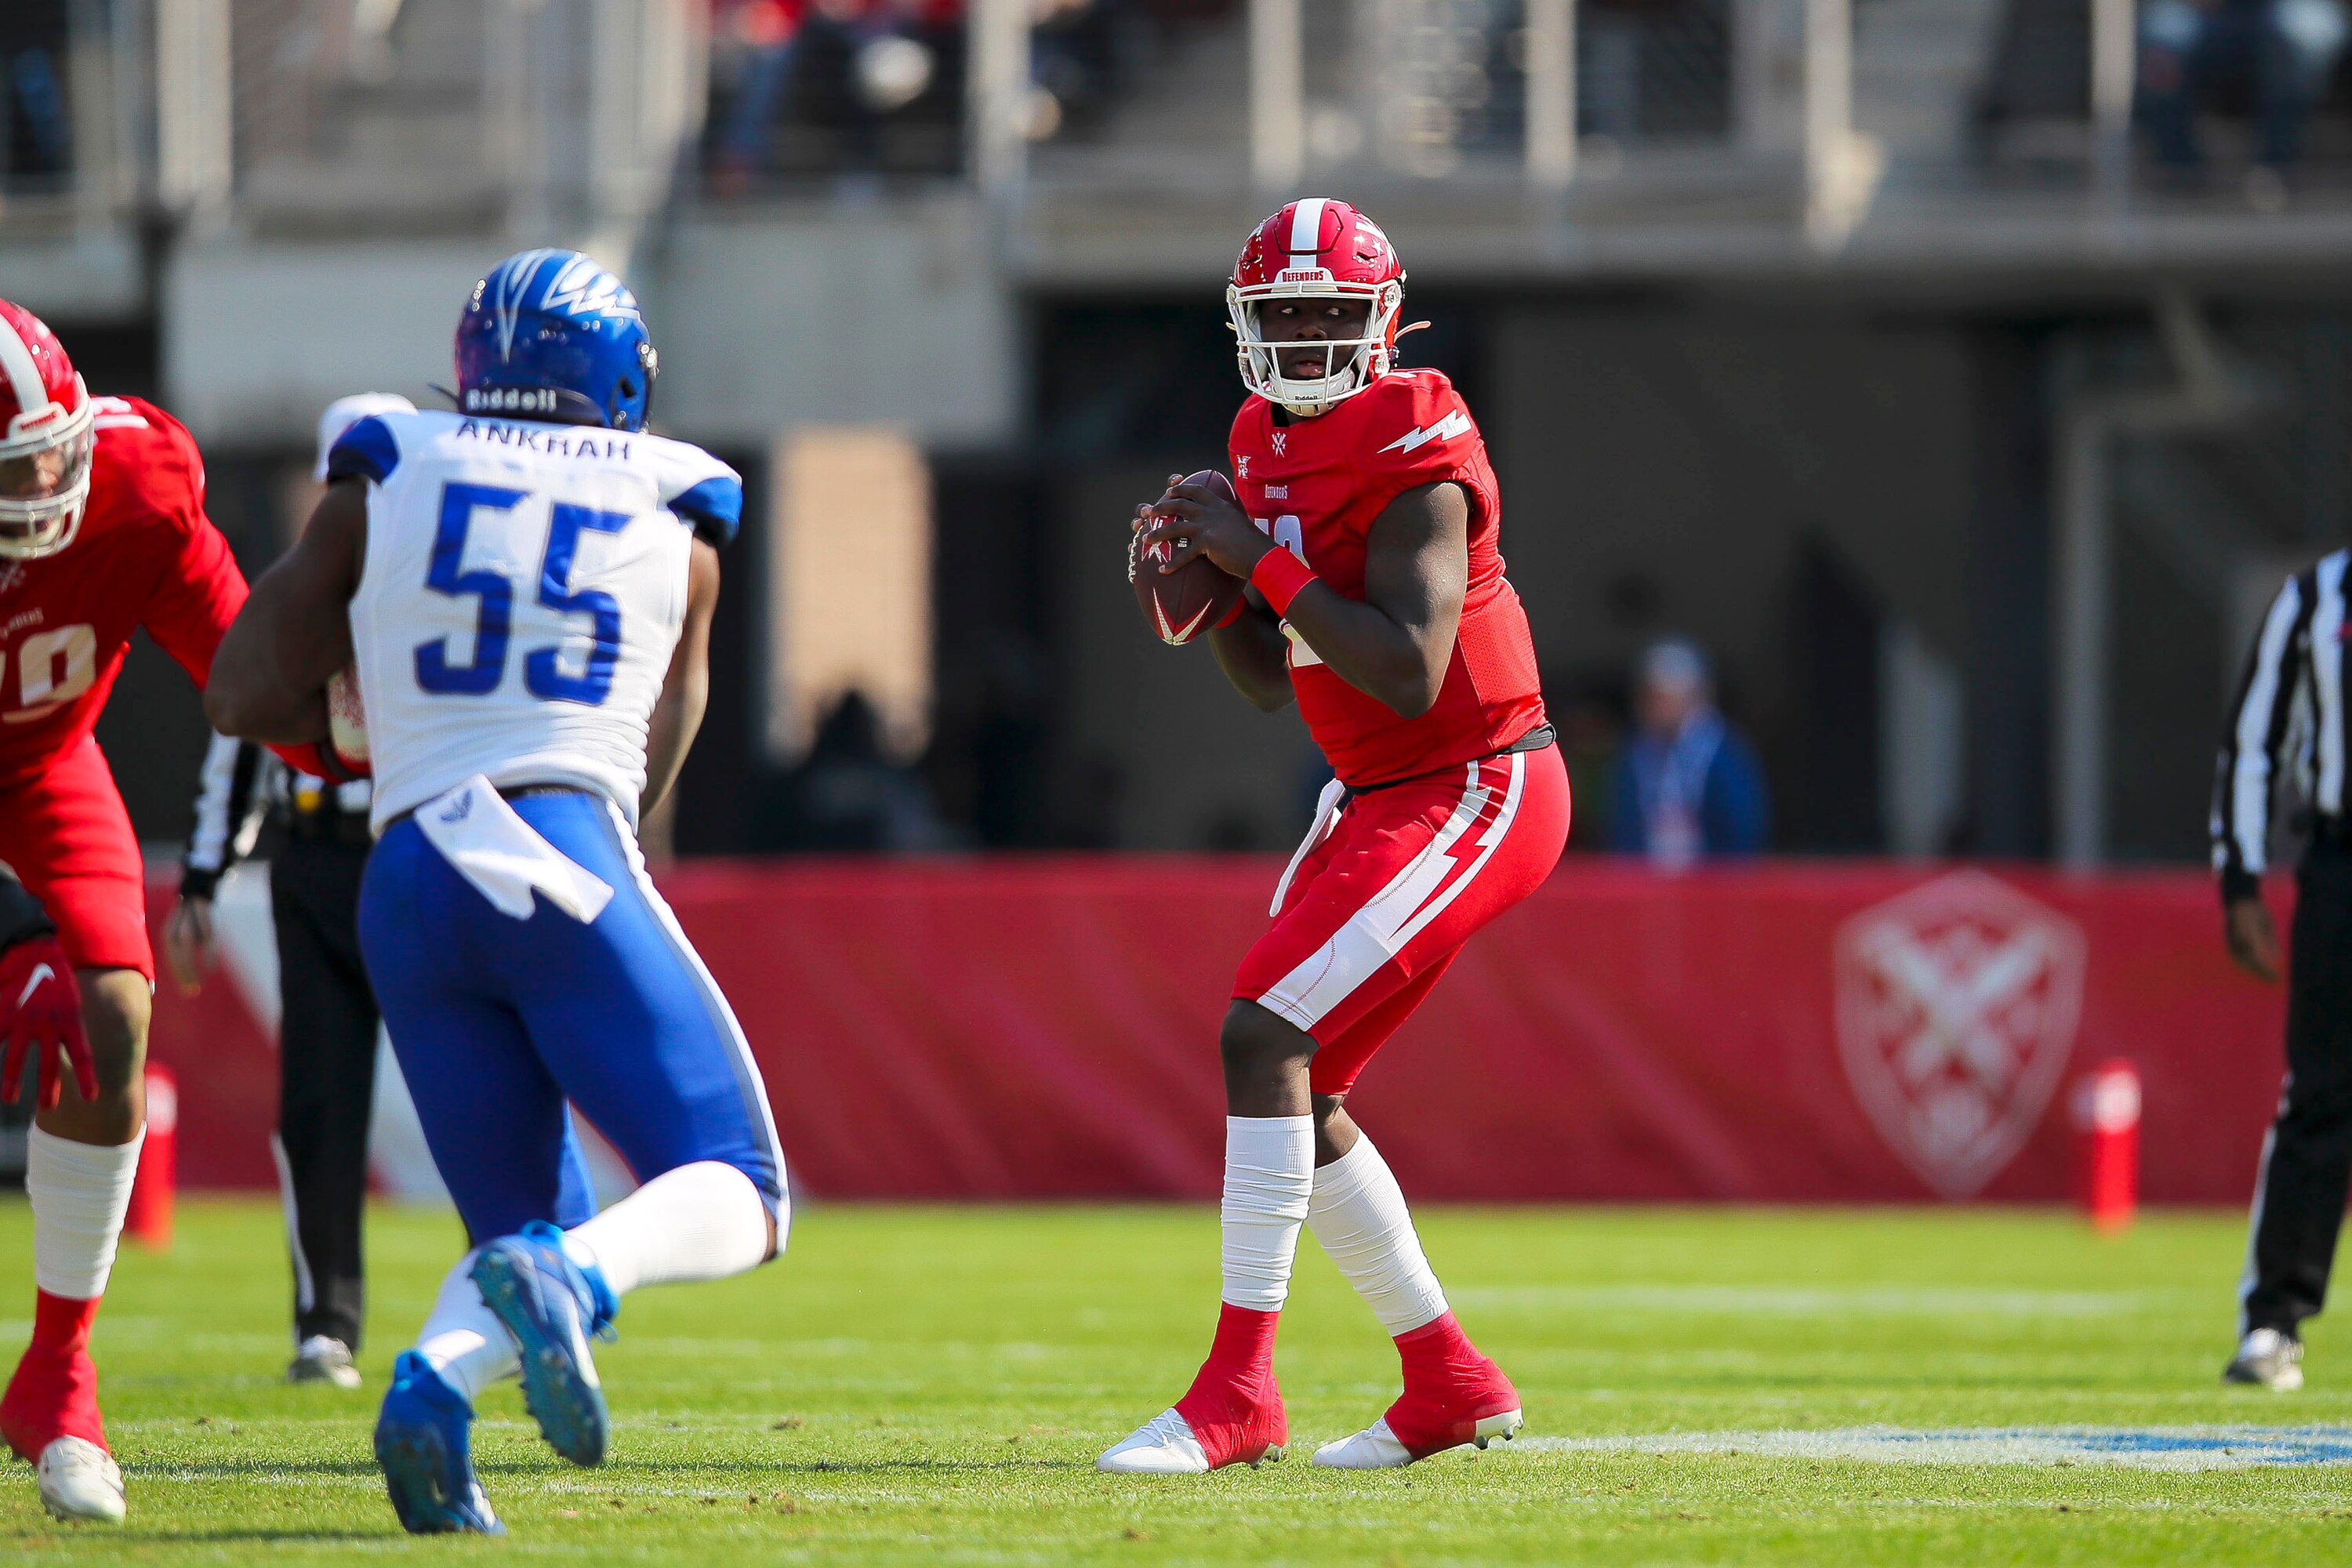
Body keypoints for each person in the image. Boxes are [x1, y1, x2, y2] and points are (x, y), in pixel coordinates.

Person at [204, 248, 787, 1536]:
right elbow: (669, 719)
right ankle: (567, 1282)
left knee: (522, 1220)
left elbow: (240, 691)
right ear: (620, 379)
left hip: (406, 874)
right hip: (556, 846)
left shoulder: (388, 466)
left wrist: (356, 711)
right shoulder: (679, 504)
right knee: (742, 1187)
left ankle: (434, 1386)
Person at [1100, 198, 1569, 1474]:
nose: (1306, 337)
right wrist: (1210, 601)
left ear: (1384, 322)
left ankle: (1237, 1394)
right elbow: (1273, 678)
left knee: (1263, 1033)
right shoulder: (1256, 439)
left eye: (1330, 314)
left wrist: (1253, 555)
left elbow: (1409, 668)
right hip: (1379, 792)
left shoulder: (1419, 427)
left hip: (1478, 779)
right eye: (1285, 315)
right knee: (1301, 1089)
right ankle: (1450, 1381)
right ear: (1247, 325)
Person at [0, 299, 283, 1525]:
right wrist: (13, 933)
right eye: (14, 469)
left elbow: (245, 664)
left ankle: (59, 1377)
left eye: (50, 454)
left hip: (37, 763)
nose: (45, 488)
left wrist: (346, 733)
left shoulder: (134, 482)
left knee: (113, 1005)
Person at [165, 394, 419, 1391]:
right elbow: (238, 735)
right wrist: (203, 874)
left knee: (472, 1085)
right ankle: (326, 1322)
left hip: (414, 853)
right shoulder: (296, 588)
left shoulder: (439, 581)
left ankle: (517, 1297)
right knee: (319, 1102)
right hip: (314, 863)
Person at [2210, 550, 2352, 1391]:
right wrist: (2240, 879)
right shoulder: (2314, 599)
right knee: (2322, 1093)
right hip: (2342, 864)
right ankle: (2274, 1319)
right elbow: (2252, 741)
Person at [2140, 0, 2350, 178]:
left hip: (2285, 6)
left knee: (2309, 32)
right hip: (2199, 8)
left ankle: (2278, 166)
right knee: (2163, 39)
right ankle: (2179, 169)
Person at [1607, 637, 1769, 867]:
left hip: (1712, 876)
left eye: (1664, 698)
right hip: (1646, 875)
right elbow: (1621, 822)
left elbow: (1741, 823)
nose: (1656, 707)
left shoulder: (1725, 753)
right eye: (1649, 697)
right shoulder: (1634, 752)